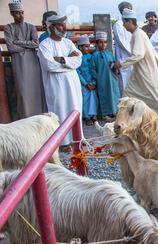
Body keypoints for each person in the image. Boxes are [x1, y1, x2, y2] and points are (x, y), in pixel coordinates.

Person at [114, 9, 158, 122]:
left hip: (146, 71)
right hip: (137, 73)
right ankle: (123, 122)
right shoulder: (138, 33)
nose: (124, 26)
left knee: (157, 98)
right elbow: (150, 47)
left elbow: (138, 54)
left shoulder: (138, 34)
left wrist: (121, 63)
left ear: (130, 22)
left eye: (124, 23)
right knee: (127, 96)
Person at [38, 14, 83, 153]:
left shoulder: (68, 43)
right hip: (56, 84)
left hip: (72, 82)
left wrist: (62, 60)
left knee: (75, 107)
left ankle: (78, 139)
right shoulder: (44, 45)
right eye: (59, 24)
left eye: (63, 24)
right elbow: (49, 65)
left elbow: (79, 60)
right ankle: (62, 142)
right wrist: (69, 61)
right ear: (51, 27)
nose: (63, 27)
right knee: (60, 109)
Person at [4, 0, 46, 119]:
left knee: (36, 90)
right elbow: (11, 48)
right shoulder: (8, 28)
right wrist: (27, 46)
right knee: (23, 93)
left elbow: (36, 44)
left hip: (33, 62)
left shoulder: (31, 27)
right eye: (17, 13)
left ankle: (40, 118)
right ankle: (26, 119)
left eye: (21, 12)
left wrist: (18, 42)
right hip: (19, 63)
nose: (20, 15)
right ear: (12, 14)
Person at [90, 32, 120, 122]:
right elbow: (92, 68)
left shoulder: (109, 53)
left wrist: (116, 72)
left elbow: (114, 64)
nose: (103, 44)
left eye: (105, 42)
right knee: (104, 95)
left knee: (114, 95)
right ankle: (105, 114)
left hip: (112, 79)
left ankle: (114, 113)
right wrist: (97, 78)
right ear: (96, 43)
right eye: (100, 42)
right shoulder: (95, 55)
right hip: (102, 80)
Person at [76, 36, 98, 125]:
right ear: (80, 47)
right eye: (85, 46)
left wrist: (94, 82)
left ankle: (94, 115)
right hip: (83, 84)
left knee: (94, 98)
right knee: (85, 99)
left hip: (92, 82)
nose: (87, 48)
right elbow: (78, 72)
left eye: (88, 46)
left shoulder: (92, 56)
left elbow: (95, 69)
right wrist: (85, 83)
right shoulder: (78, 58)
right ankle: (86, 117)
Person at [113, 1, 133, 92]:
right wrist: (133, 52)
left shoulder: (131, 23)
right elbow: (122, 42)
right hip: (123, 56)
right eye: (124, 9)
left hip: (132, 57)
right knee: (124, 82)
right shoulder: (118, 24)